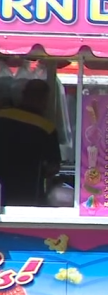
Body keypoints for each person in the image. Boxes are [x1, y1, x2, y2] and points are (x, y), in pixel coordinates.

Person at [0, 79, 61, 207]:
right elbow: (53, 167)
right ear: (44, 99)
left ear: (23, 94)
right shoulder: (46, 127)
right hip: (27, 194)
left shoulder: (2, 115)